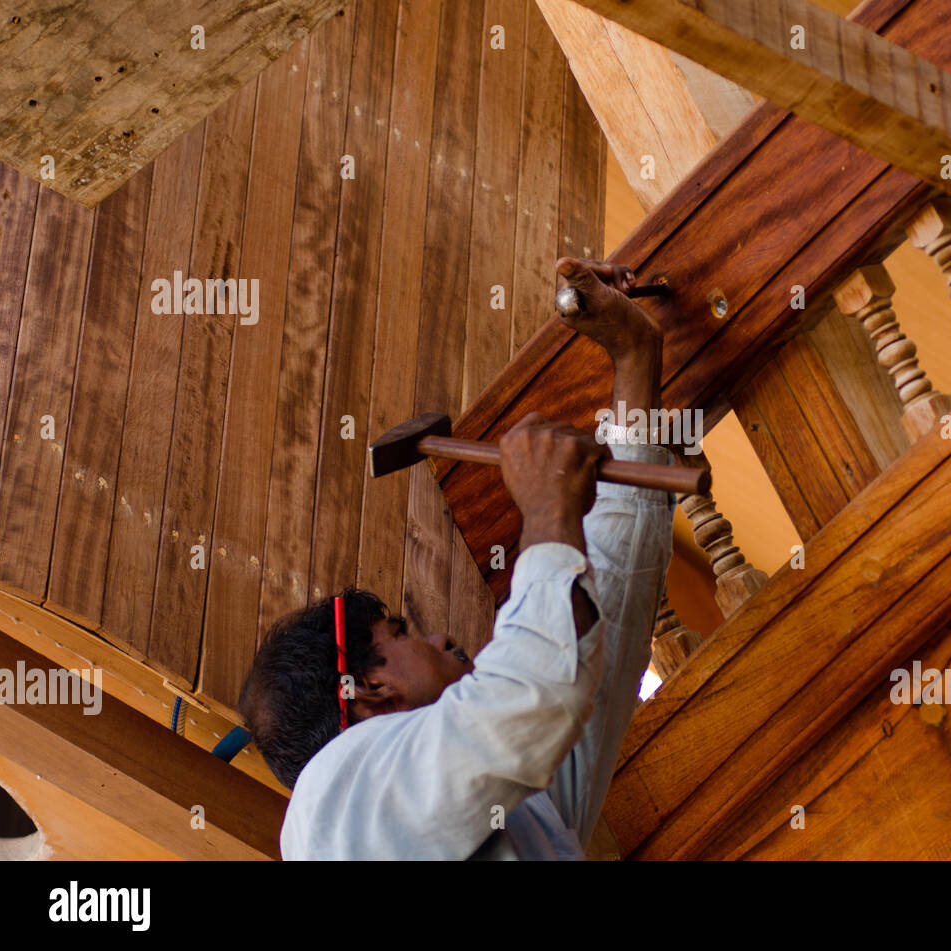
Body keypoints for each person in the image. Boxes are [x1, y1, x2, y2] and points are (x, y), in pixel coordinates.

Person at [239, 258, 674, 859]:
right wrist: (546, 508)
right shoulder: (330, 801)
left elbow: (605, 614)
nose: (441, 637)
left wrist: (634, 353)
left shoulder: (504, 799)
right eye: (401, 633)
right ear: (370, 685)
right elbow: (537, 686)